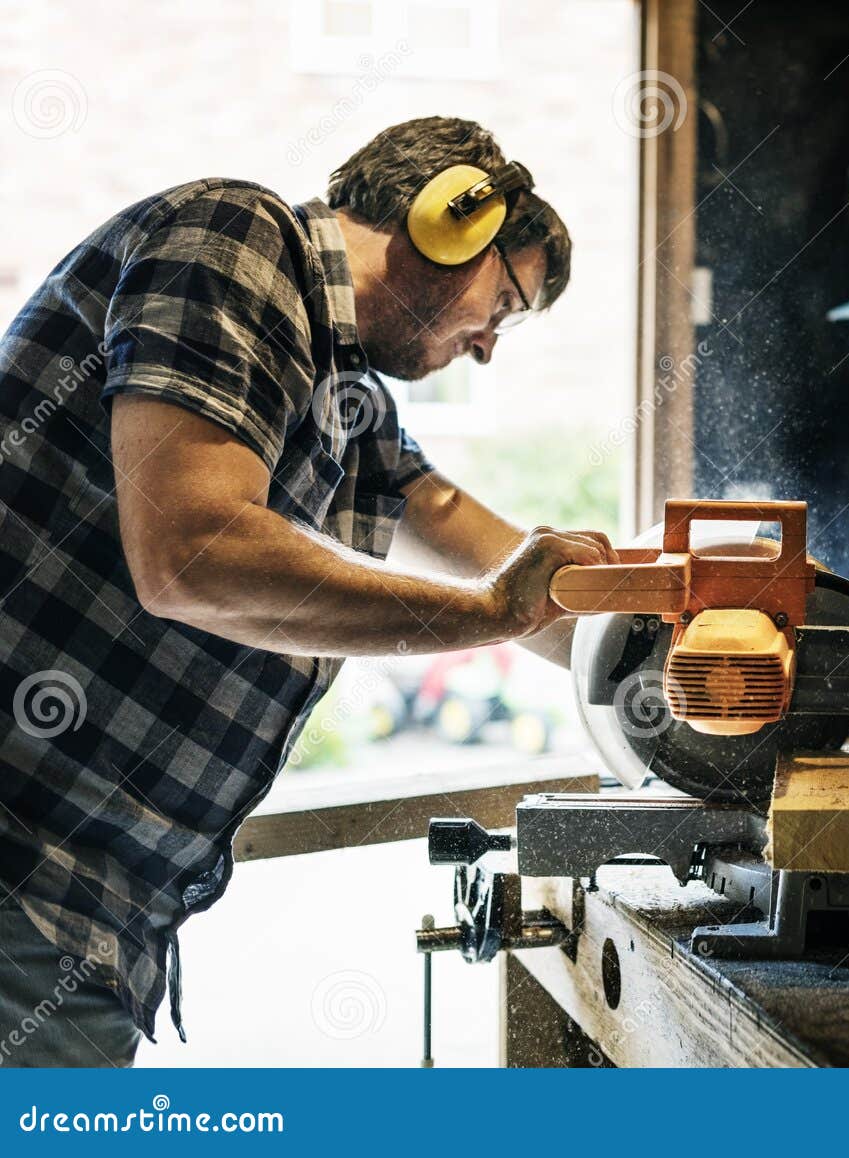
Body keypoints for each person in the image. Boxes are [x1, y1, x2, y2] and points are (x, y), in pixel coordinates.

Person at [0, 116, 619, 1066]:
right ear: (451, 222)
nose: (491, 345)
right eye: (506, 300)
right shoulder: (233, 241)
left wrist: (653, 640)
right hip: (24, 864)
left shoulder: (343, 385)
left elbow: (457, 523)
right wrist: (494, 611)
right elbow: (193, 554)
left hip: (85, 901)